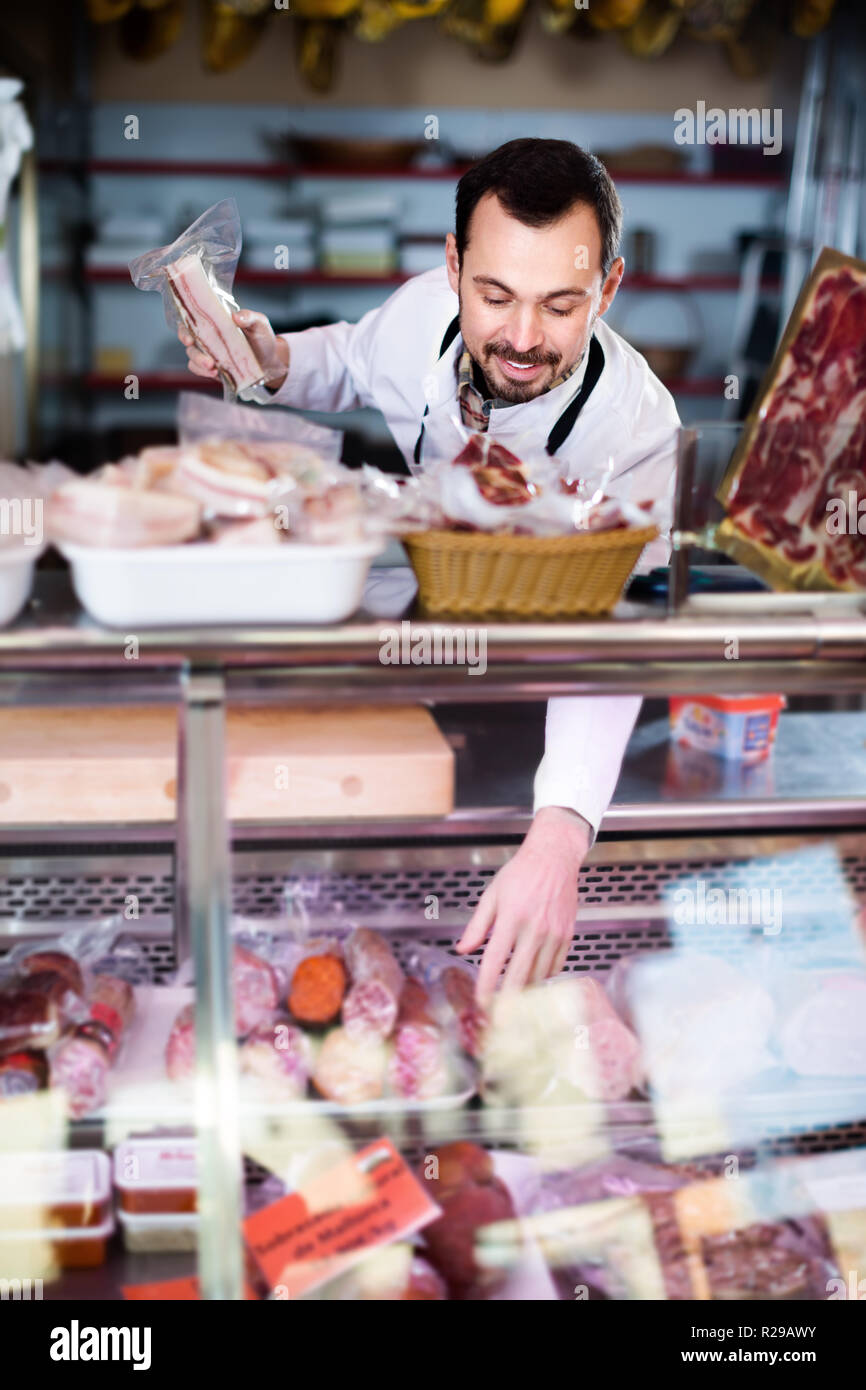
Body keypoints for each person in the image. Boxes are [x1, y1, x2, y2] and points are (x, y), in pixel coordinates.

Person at [178, 138, 680, 1001]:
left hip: (555, 722)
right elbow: (352, 359)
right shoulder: (420, 314)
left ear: (609, 287)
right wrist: (271, 358)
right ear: (453, 268)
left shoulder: (642, 433)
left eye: (561, 306)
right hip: (410, 680)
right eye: (495, 296)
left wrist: (559, 838)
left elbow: (621, 638)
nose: (522, 338)